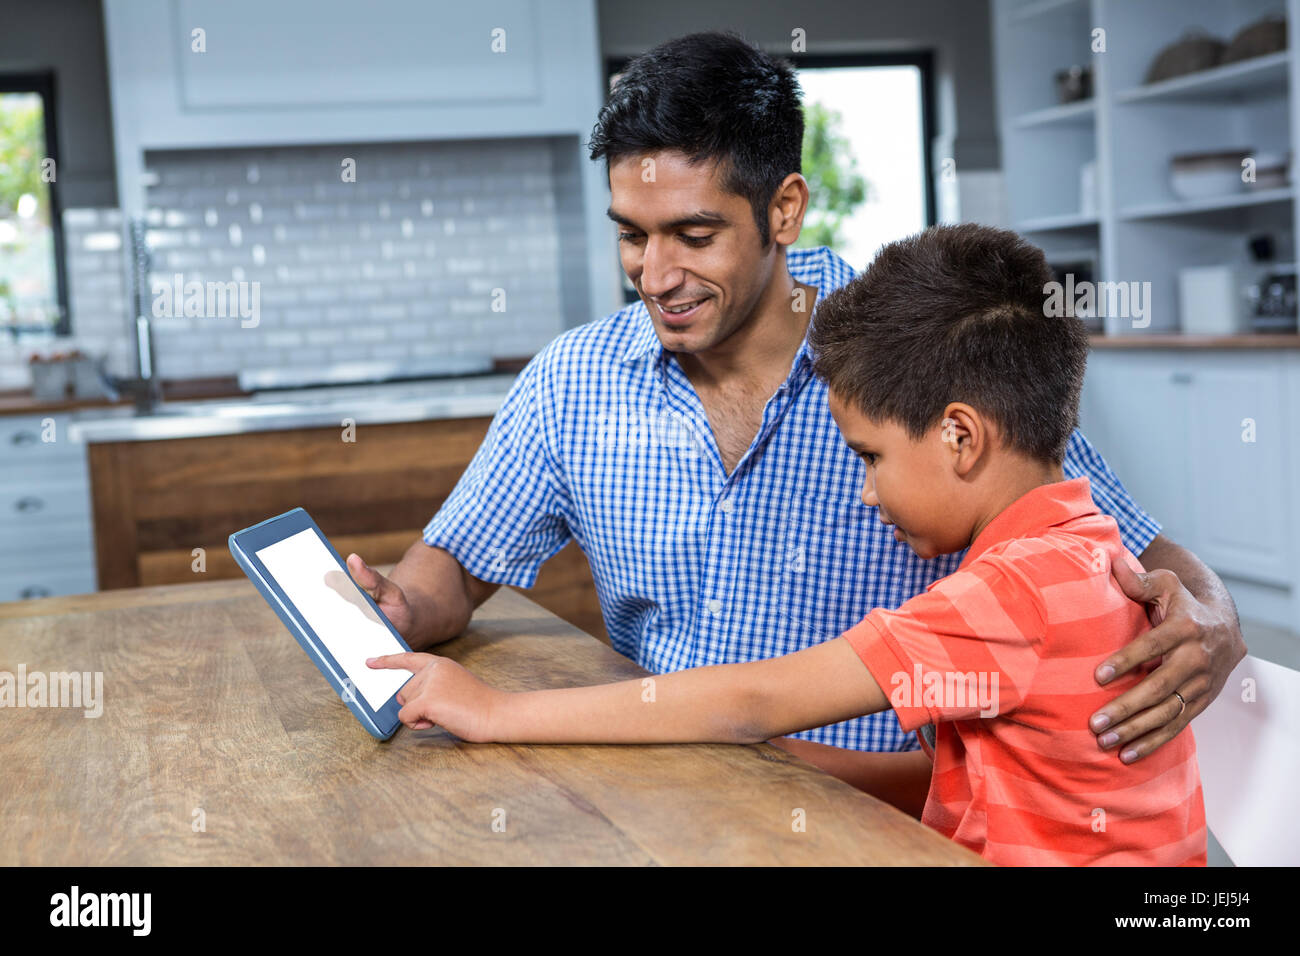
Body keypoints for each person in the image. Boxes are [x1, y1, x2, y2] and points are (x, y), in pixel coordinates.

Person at [346, 31, 1243, 816]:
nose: (654, 275)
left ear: (783, 209)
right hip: (665, 790)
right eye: (631, 234)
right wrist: (396, 609)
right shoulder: (574, 380)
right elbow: (454, 570)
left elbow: (1125, 550)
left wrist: (1212, 617)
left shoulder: (908, 353)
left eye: (694, 237)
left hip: (882, 810)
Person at [366, 223, 1209, 866]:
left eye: (872, 458)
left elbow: (752, 701)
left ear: (961, 437)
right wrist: (764, 765)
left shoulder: (1005, 595)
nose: (868, 490)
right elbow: (985, 779)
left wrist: (494, 711)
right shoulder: (1087, 547)